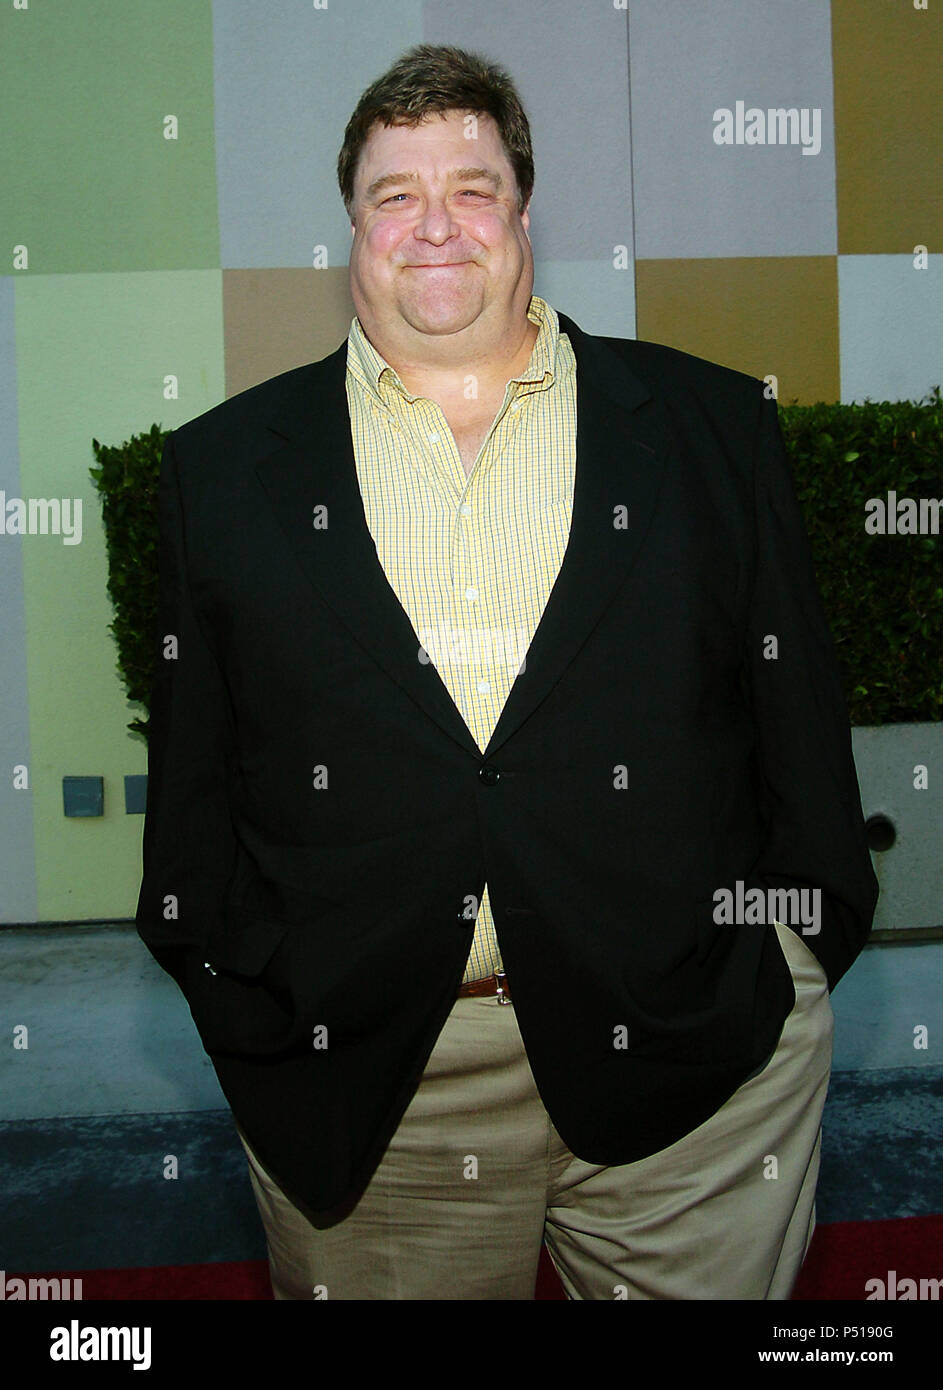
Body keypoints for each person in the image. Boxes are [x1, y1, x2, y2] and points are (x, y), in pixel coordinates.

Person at [136, 44, 879, 1300]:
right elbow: (197, 796)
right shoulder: (220, 473)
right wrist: (245, 1000)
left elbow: (795, 727)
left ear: (523, 213)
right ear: (351, 231)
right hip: (371, 1090)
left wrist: (796, 957)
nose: (435, 225)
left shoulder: (707, 429)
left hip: (694, 1070)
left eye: (472, 188)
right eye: (394, 194)